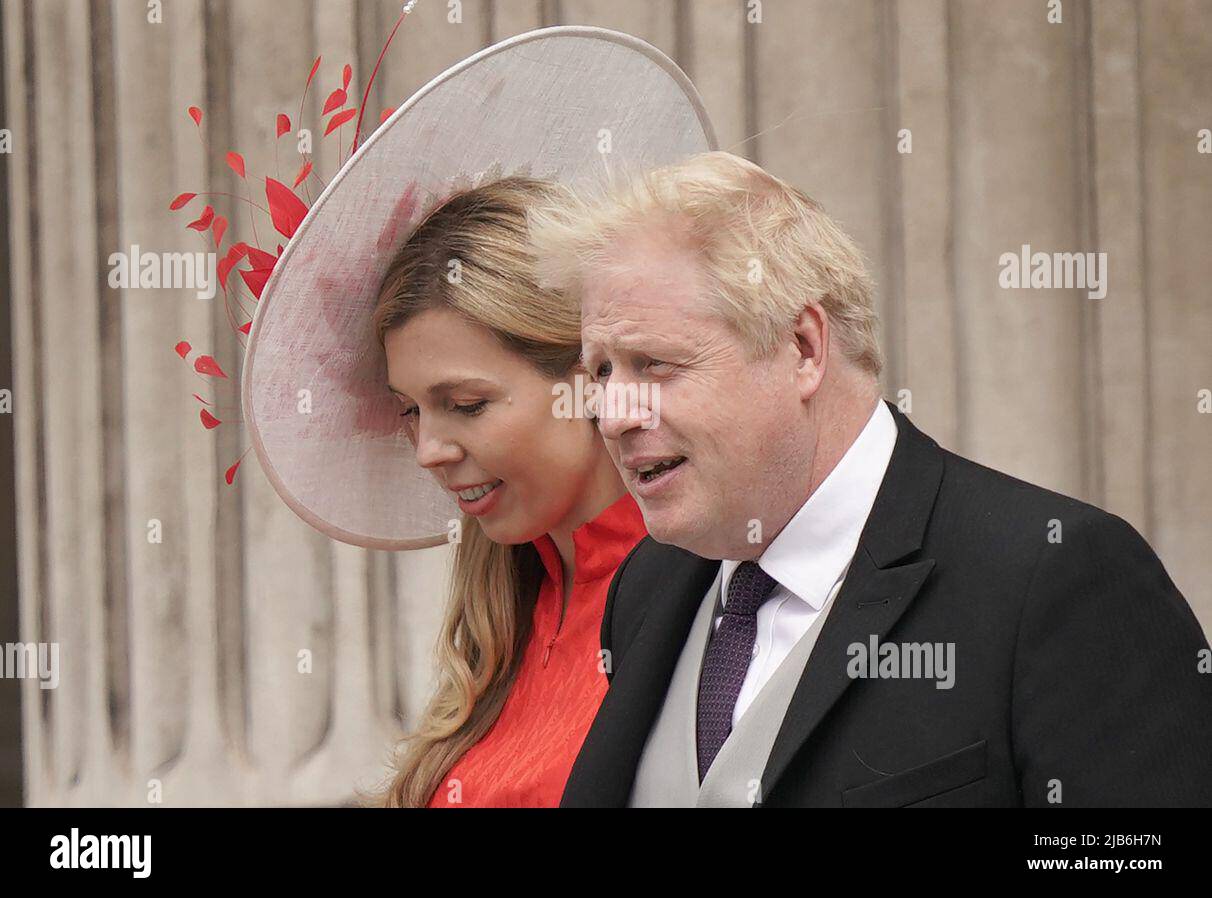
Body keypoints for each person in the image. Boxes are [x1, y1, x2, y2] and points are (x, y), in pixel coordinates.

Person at [527, 149, 1212, 807]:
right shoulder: (648, 585)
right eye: (603, 372)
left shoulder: (1057, 576)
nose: (611, 416)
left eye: (655, 365)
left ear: (802, 348)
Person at [239, 27, 716, 806]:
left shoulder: (718, 596)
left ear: (589, 374)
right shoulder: (509, 618)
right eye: (409, 412)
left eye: (464, 405)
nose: (428, 450)